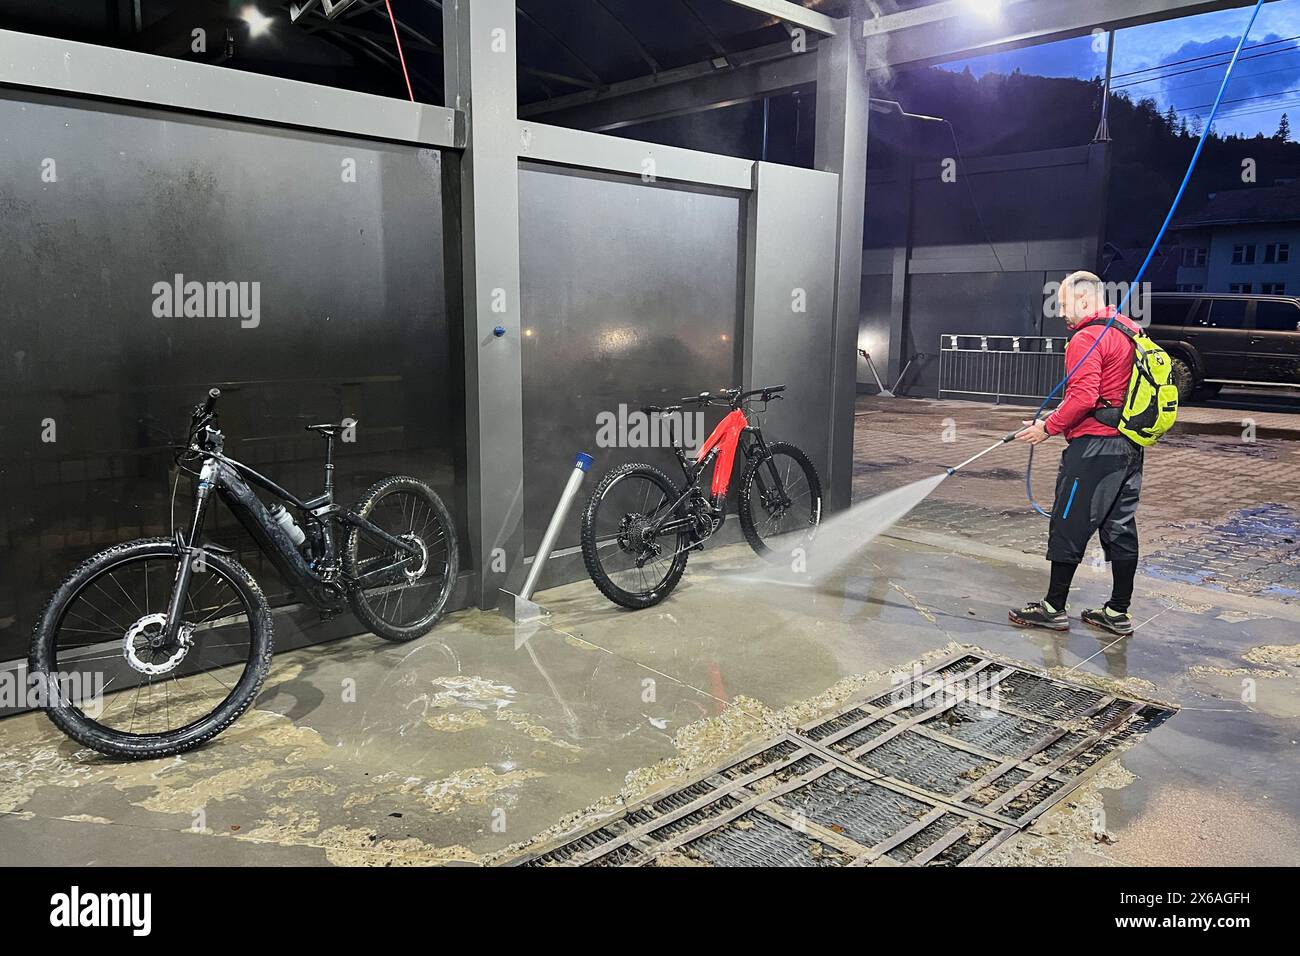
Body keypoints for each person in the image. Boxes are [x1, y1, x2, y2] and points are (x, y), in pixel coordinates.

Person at [1009, 271, 1144, 636]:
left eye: (1065, 305)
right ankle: (1117, 612)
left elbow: (1084, 397)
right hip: (1129, 446)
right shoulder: (1130, 330)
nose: (1062, 314)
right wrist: (1056, 417)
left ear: (1085, 301)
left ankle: (1053, 608)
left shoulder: (1087, 337)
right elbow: (1107, 394)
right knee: (1120, 526)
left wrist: (1046, 428)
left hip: (1093, 448)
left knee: (1069, 522)